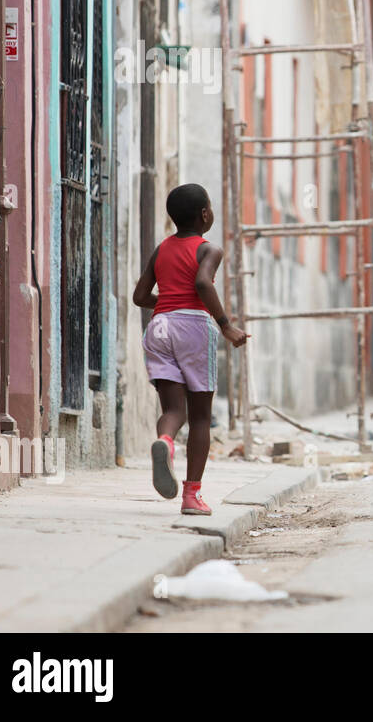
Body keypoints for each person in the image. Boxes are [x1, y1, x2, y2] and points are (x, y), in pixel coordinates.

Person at [132, 183, 249, 516]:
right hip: (192, 329)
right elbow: (201, 283)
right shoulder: (209, 250)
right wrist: (225, 324)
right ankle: (191, 496)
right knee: (200, 417)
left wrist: (168, 303)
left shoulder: (162, 249)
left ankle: (165, 442)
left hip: (159, 327)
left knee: (174, 411)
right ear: (204, 214)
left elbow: (140, 297)